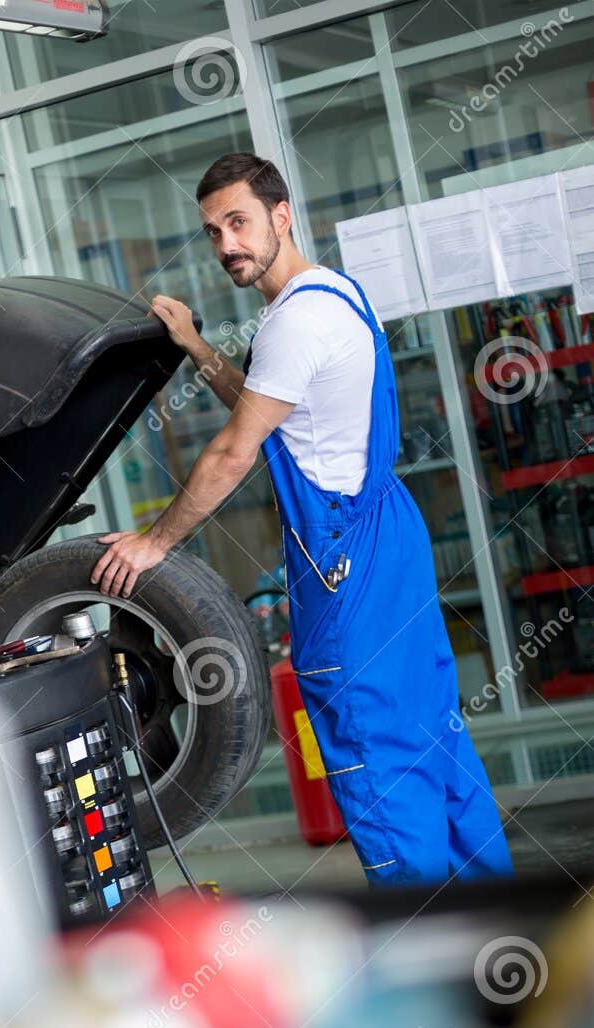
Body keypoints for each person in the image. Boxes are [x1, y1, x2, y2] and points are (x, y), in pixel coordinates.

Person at [91, 152, 512, 885]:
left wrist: (155, 542)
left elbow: (235, 450)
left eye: (239, 222)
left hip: (344, 558)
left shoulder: (294, 323)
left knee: (371, 747)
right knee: (429, 735)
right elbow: (275, 416)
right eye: (213, 230)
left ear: (280, 216)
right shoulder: (335, 293)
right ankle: (498, 917)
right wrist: (196, 347)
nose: (226, 244)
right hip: (389, 535)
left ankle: (425, 928)